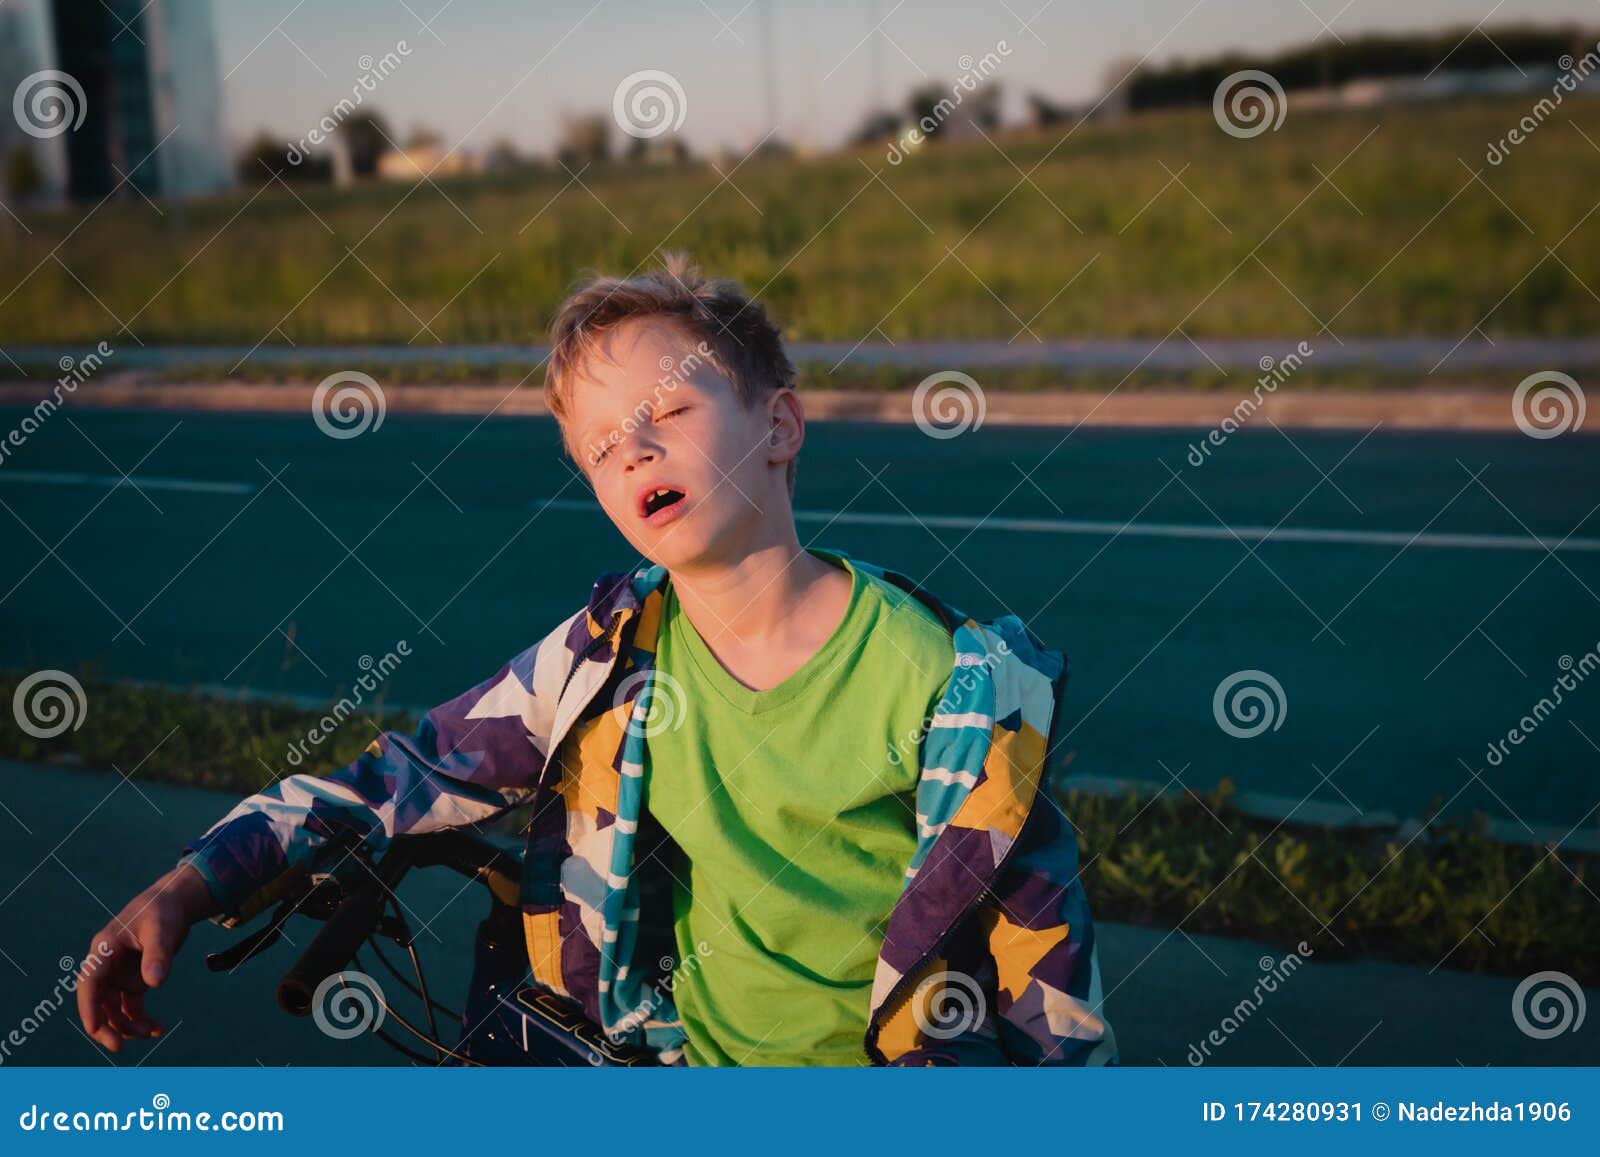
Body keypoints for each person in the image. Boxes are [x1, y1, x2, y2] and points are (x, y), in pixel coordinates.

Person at [77, 253, 1117, 1067]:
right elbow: (413, 770)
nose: (637, 454)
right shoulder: (608, 658)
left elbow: (1041, 956)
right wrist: (195, 877)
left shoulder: (950, 685)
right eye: (603, 449)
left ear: (780, 424)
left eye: (666, 413)